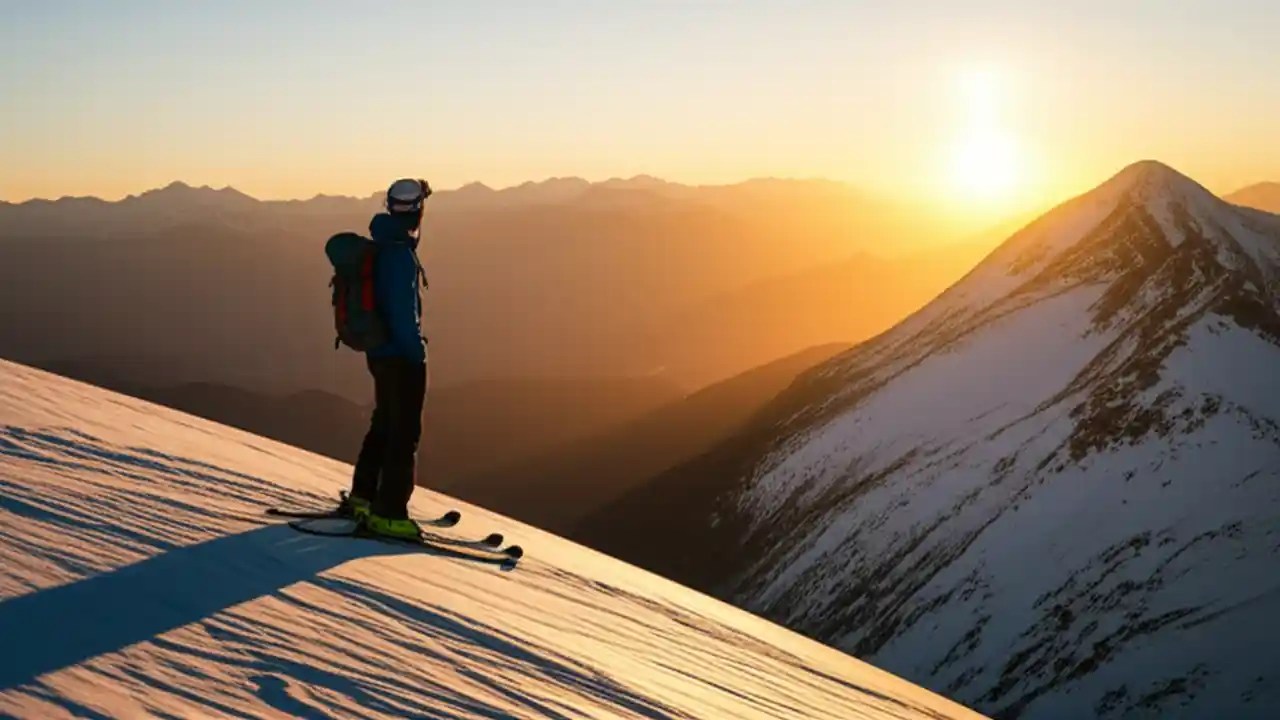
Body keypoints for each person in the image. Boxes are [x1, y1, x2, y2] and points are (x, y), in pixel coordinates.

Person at [340, 178, 431, 539]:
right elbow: (403, 316)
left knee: (383, 422)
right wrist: (418, 354)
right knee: (404, 433)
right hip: (401, 357)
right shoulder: (398, 254)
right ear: (416, 209)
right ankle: (389, 511)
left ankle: (363, 495)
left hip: (377, 353)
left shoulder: (379, 245)